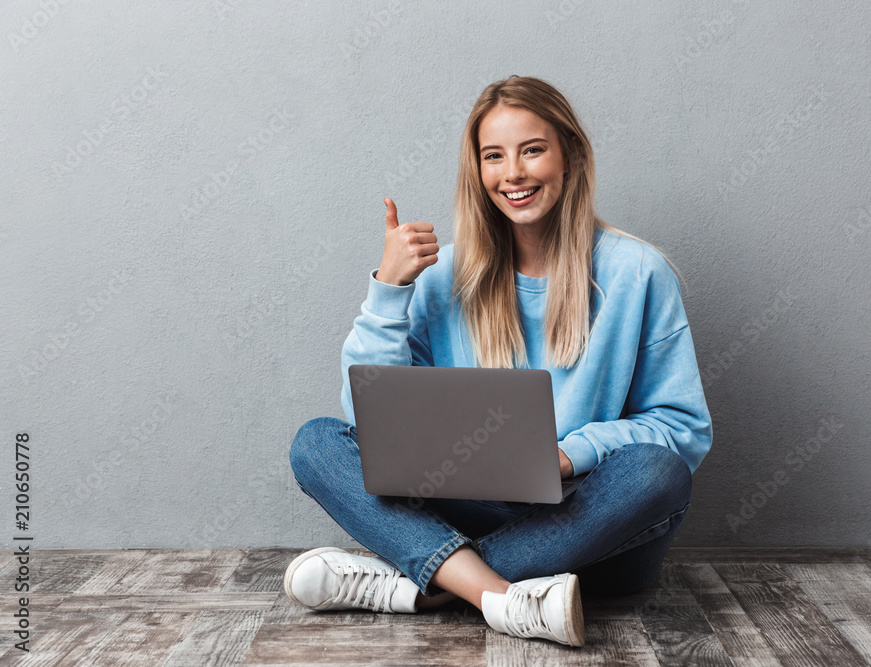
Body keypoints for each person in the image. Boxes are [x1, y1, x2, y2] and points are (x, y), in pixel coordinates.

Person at [285, 75, 712, 647]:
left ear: (570, 158)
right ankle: (499, 597)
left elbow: (681, 429)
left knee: (657, 475)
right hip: (473, 508)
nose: (512, 172)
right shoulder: (441, 278)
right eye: (494, 156)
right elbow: (372, 424)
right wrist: (388, 290)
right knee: (316, 443)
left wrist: (565, 456)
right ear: (478, 171)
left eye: (532, 150)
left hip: (590, 528)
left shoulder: (637, 273)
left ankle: (425, 584)